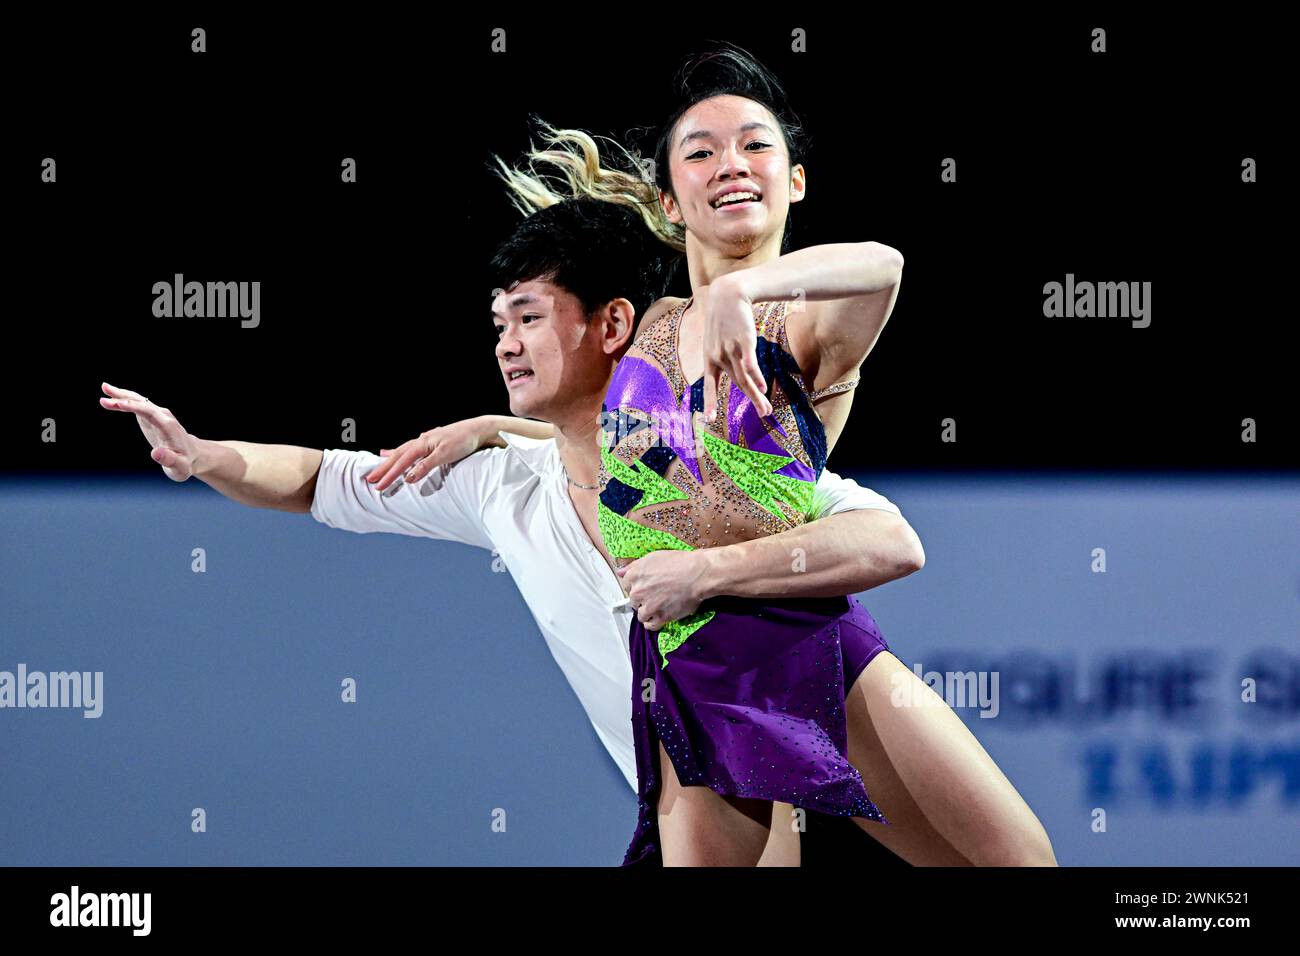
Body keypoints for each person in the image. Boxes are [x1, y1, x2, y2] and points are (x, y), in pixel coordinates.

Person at [97, 197, 924, 869]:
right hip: (698, 810)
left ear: (611, 326)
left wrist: (713, 573)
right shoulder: (499, 486)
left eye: (527, 318)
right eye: (499, 323)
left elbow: (886, 537)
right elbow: (322, 478)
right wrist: (205, 456)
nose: (505, 343)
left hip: (818, 785)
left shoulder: (718, 453)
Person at [484, 43, 1058, 867]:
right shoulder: (647, 331)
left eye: (757, 145)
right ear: (668, 200)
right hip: (686, 658)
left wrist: (739, 290)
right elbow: (643, 455)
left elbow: (884, 268)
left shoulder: (806, 325)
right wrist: (491, 430)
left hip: (804, 639)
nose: (731, 164)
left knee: (1019, 863)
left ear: (794, 182)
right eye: (701, 151)